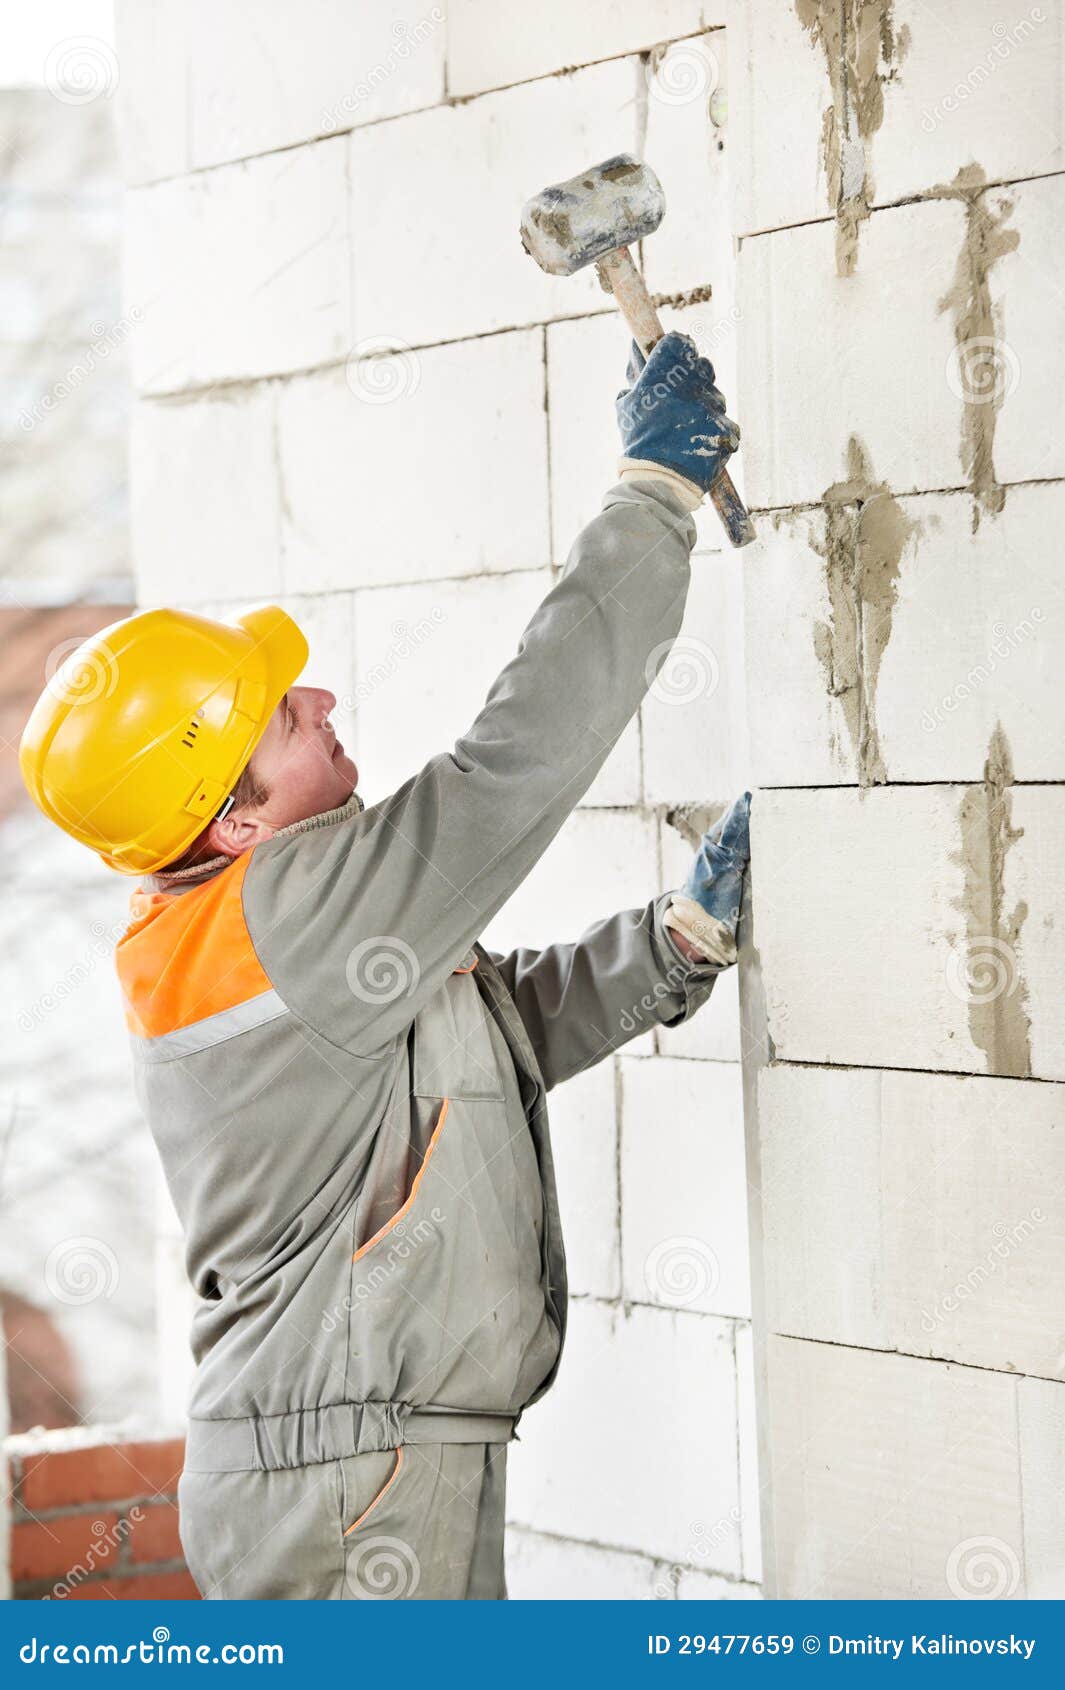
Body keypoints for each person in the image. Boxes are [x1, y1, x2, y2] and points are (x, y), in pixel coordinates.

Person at [19, 333, 751, 1600]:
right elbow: (508, 769)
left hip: (350, 1473)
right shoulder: (282, 912)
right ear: (234, 821)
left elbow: (486, 1029)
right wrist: (652, 492)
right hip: (346, 1488)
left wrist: (673, 943)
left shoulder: (246, 927)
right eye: (278, 716)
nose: (321, 702)